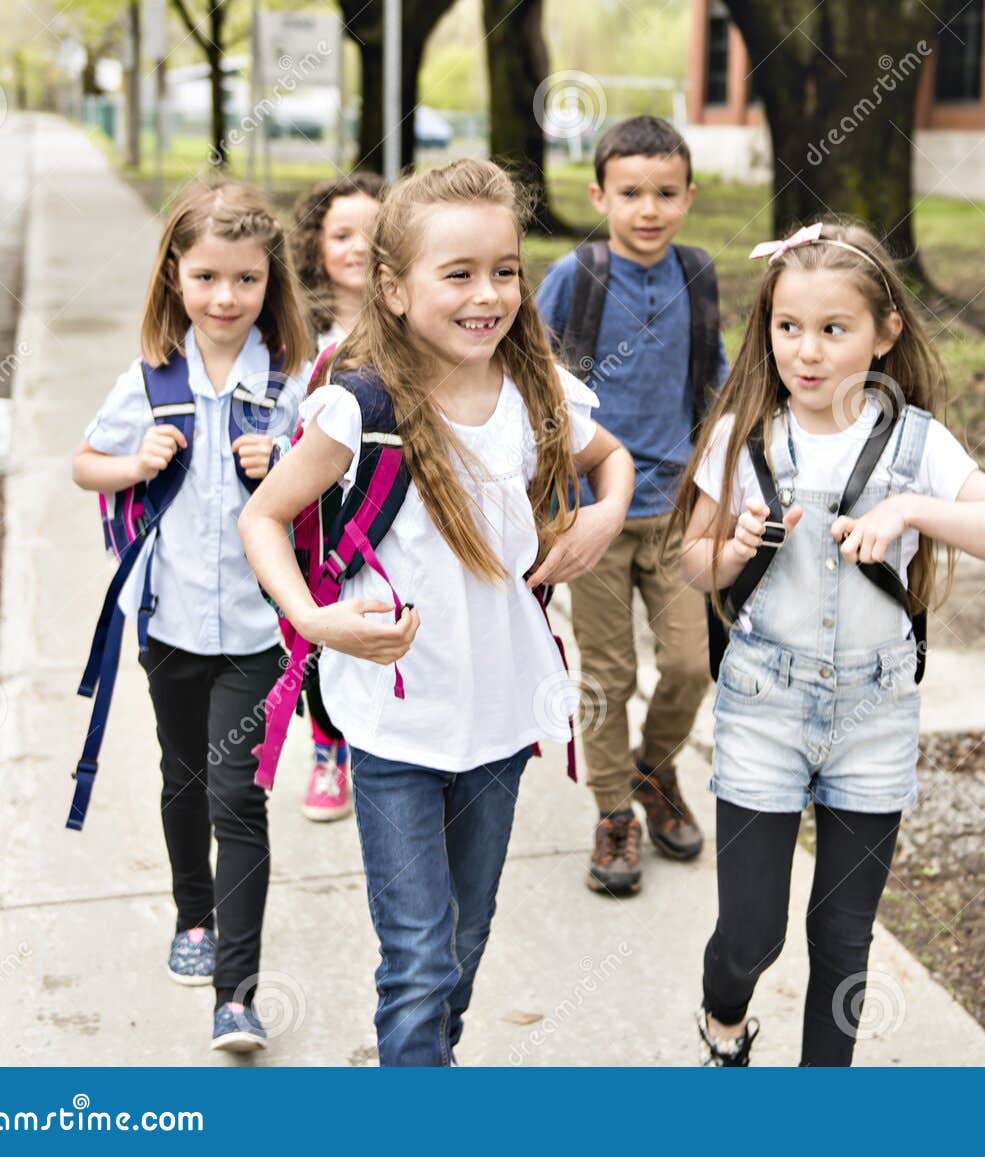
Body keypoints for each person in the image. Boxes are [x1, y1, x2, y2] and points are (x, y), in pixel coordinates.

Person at [239, 159, 634, 1066]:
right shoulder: (358, 407)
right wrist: (317, 618)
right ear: (394, 286)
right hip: (395, 726)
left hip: (500, 723)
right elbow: (263, 518)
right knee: (417, 960)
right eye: (457, 274)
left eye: (503, 269)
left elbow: (614, 462)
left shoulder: (540, 395)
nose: (487, 294)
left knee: (463, 942)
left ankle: (427, 1066)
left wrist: (603, 518)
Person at [672, 219, 985, 1066]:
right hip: (764, 703)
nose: (807, 352)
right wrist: (733, 550)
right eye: (788, 328)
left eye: (833, 330)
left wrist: (910, 509)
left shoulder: (917, 444)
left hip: (875, 710)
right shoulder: (746, 433)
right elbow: (695, 559)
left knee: (843, 938)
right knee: (750, 934)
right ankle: (723, 1022)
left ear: (885, 334)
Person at [71, 181, 313, 1052]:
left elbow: (331, 483)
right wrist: (135, 461)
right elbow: (83, 465)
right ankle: (192, 912)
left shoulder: (290, 387)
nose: (223, 297)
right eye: (206, 276)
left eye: (244, 279)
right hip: (169, 624)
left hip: (258, 630)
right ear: (175, 275)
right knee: (183, 780)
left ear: (268, 281)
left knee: (238, 797)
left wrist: (282, 459)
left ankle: (236, 993)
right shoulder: (148, 380)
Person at [535, 115, 729, 896]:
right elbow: (534, 378)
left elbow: (714, 383)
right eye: (630, 193)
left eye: (665, 193)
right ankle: (615, 809)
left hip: (680, 511)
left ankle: (654, 768)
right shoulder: (574, 277)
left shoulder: (700, 273)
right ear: (599, 195)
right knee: (608, 674)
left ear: (687, 196)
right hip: (594, 515)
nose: (648, 209)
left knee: (692, 659)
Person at [287, 172, 386, 821]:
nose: (357, 247)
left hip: (385, 505)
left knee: (378, 623)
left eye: (372, 234)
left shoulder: (411, 326)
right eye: (341, 234)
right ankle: (328, 748)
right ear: (317, 248)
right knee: (321, 634)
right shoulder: (302, 339)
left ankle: (378, 742)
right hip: (319, 516)